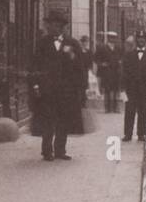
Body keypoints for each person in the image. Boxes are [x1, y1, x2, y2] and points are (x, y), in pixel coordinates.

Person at [32, 13, 86, 162]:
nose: (50, 27)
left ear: (61, 27)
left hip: (66, 91)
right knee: (48, 120)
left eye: (54, 25)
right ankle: (46, 151)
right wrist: (36, 84)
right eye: (49, 24)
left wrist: (80, 88)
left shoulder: (72, 44)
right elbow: (35, 64)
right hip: (47, 89)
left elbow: (79, 66)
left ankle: (60, 150)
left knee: (63, 120)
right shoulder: (42, 43)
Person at [122, 30, 146, 142]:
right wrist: (123, 88)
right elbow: (124, 72)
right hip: (131, 89)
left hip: (144, 89)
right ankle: (128, 134)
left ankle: (141, 134)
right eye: (139, 38)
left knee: (142, 112)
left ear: (145, 40)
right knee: (129, 112)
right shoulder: (129, 54)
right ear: (136, 40)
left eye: (143, 38)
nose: (141, 40)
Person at [96, 42, 121, 114]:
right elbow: (96, 59)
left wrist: (120, 62)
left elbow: (122, 57)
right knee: (107, 90)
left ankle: (115, 108)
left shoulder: (118, 48)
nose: (112, 40)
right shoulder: (103, 48)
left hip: (116, 72)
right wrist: (101, 64)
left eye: (114, 38)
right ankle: (107, 108)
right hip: (107, 72)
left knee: (116, 90)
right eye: (111, 38)